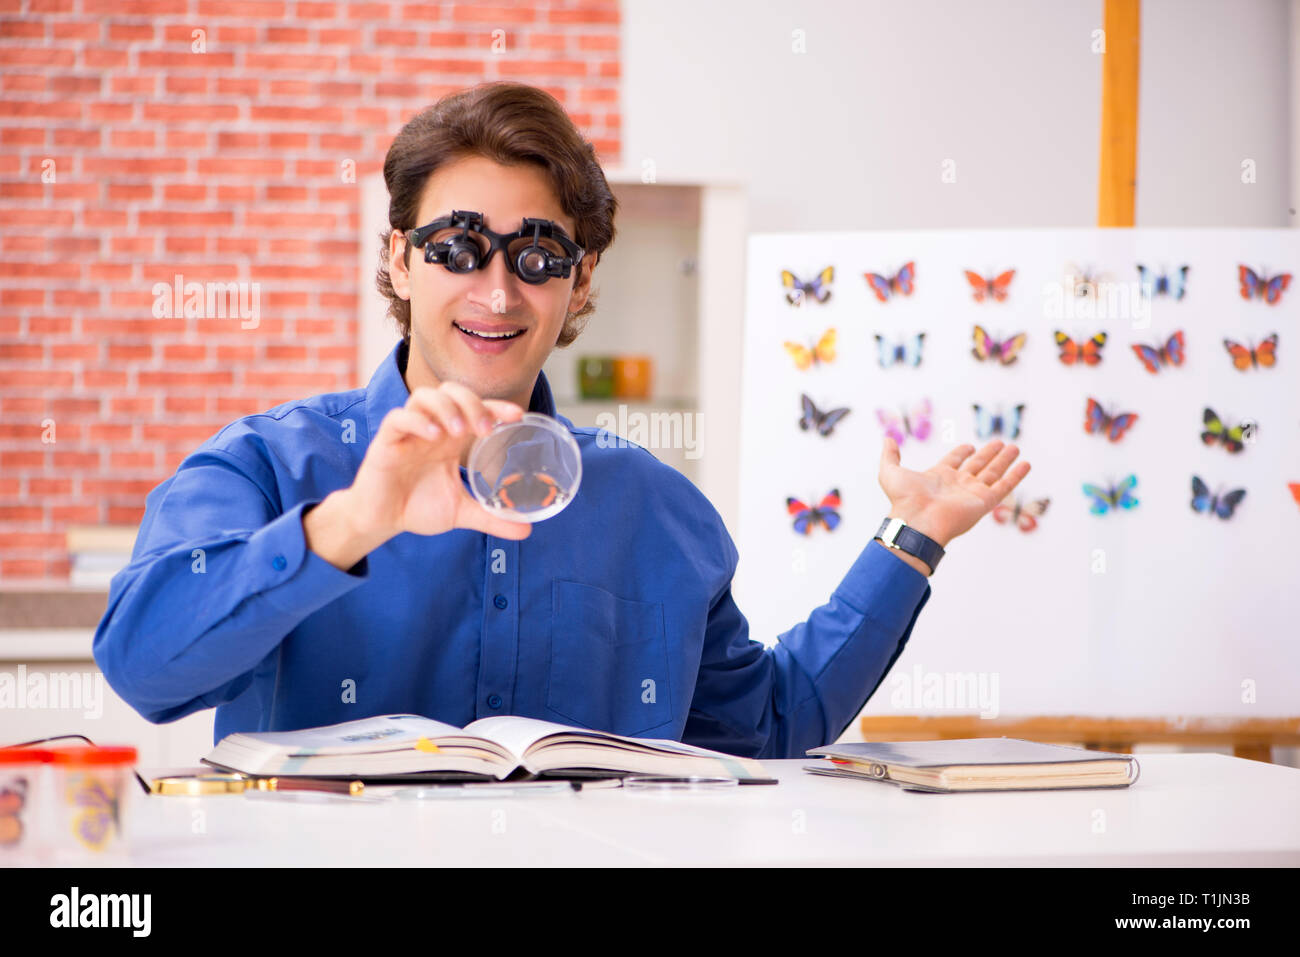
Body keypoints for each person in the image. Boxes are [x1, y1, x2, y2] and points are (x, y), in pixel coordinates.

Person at [93, 81, 1030, 758]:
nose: (495, 289)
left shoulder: (655, 506)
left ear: (580, 280)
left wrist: (916, 536)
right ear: (399, 258)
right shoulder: (263, 465)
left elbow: (772, 725)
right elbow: (143, 667)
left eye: (537, 254)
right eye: (458, 247)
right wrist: (351, 524)